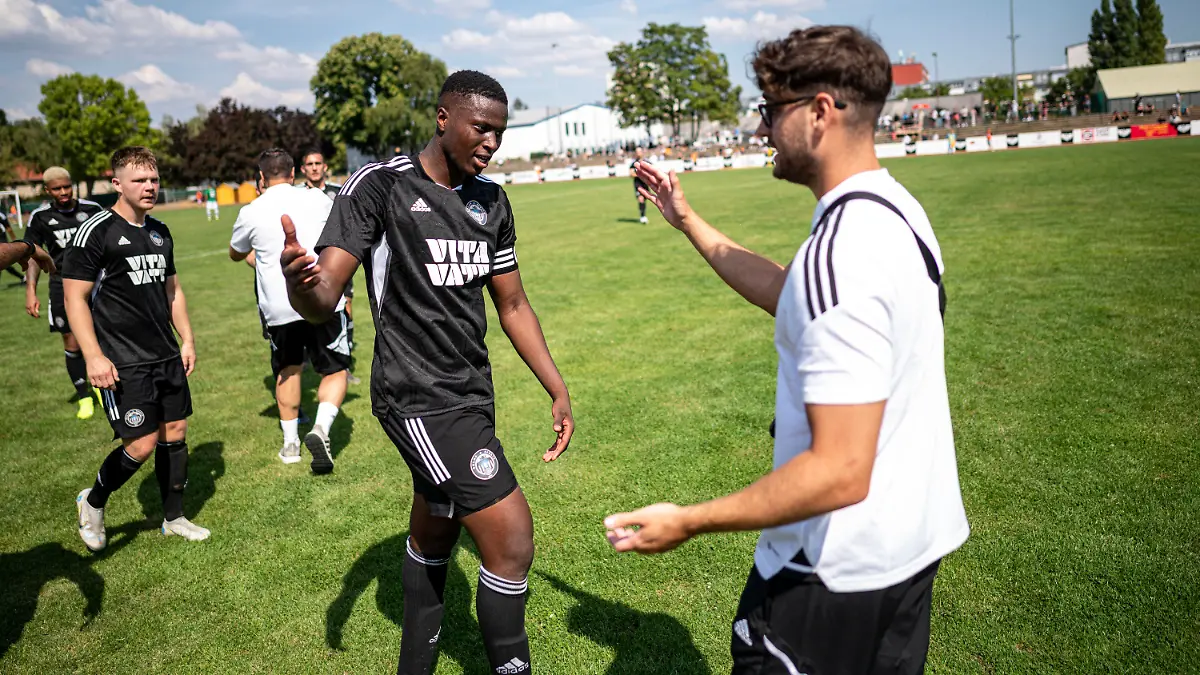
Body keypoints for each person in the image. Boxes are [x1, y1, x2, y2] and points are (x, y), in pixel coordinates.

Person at [605, 26, 969, 675]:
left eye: (772, 110)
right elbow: (792, 291)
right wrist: (688, 220)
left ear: (820, 112)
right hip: (912, 547)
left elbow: (839, 469)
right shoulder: (898, 212)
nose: (761, 126)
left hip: (829, 571)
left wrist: (687, 519)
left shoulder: (841, 251)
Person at [280, 70, 574, 675]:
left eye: (500, 132)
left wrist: (556, 385)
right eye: (481, 128)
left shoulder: (491, 200)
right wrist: (300, 283)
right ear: (443, 119)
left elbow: (512, 304)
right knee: (512, 540)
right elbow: (325, 293)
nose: (491, 143)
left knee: (437, 533)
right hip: (415, 397)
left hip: (469, 394)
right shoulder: (381, 186)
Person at [63, 146, 208, 551]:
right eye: (139, 180)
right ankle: (92, 501)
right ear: (117, 184)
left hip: (165, 354)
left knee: (175, 433)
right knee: (141, 444)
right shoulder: (97, 231)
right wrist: (93, 355)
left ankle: (174, 518)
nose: (149, 187)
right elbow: (75, 298)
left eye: (154, 180)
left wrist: (188, 339)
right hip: (123, 359)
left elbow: (173, 290)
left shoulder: (160, 231)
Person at [230, 148, 348, 472]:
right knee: (334, 370)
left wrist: (261, 260)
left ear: (262, 178)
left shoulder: (250, 210)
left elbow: (235, 252)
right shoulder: (319, 199)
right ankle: (321, 427)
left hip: (280, 304)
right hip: (323, 297)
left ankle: (291, 445)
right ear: (294, 173)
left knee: (289, 369)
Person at [23, 167, 106, 419]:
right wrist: (31, 290)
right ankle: (84, 397)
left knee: (102, 334)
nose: (63, 192)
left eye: (67, 187)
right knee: (71, 340)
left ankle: (104, 386)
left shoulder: (92, 209)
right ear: (47, 190)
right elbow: (32, 256)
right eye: (57, 188)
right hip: (61, 284)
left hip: (95, 283)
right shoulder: (40, 217)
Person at [299, 148, 361, 385]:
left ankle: (343, 365)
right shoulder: (296, 196)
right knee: (307, 310)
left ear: (325, 167)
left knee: (345, 309)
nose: (314, 167)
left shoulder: (340, 193)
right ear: (303, 169)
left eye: (318, 163)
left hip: (337, 262)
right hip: (309, 263)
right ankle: (308, 359)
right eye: (309, 164)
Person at [1, 209, 27, 283]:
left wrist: (14, 240)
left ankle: (23, 277)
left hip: (1, 241)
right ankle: (23, 277)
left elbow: (8, 228)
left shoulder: (1, 214)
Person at [630, 147, 649, 224]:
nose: (638, 153)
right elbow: (631, 174)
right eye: (636, 151)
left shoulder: (647, 162)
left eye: (639, 151)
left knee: (644, 200)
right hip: (638, 184)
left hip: (646, 184)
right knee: (640, 199)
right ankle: (643, 217)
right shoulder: (634, 164)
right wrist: (642, 174)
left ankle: (643, 215)